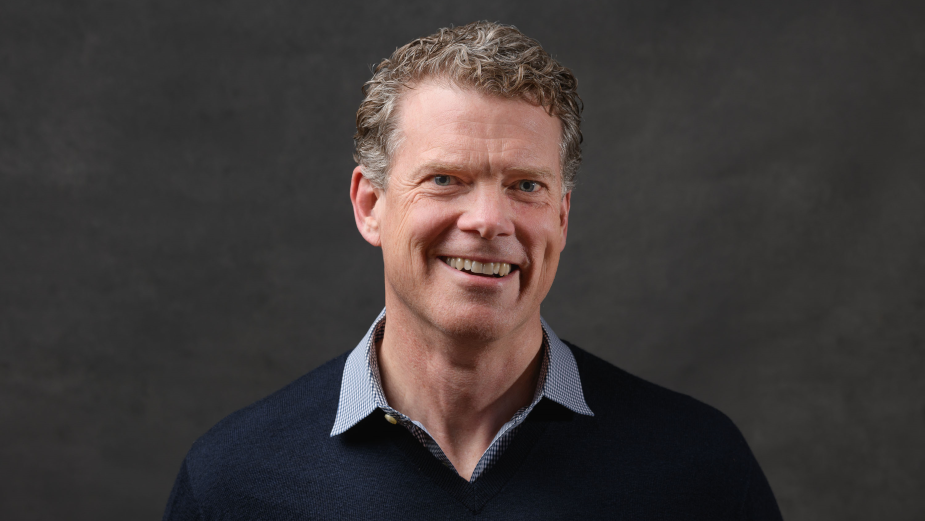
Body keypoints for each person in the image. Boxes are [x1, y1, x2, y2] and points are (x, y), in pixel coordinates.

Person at [163, 21, 782, 520]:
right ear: (370, 205)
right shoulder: (234, 483)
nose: (489, 220)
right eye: (445, 179)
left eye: (526, 185)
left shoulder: (699, 469)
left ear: (562, 217)